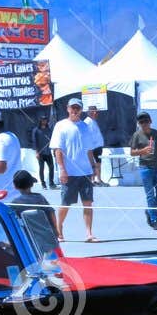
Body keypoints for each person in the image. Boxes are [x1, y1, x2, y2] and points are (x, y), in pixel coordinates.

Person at [50, 98, 99, 241]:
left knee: (88, 203)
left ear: (81, 110)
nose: (75, 110)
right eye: (73, 108)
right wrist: (62, 169)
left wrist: (94, 166)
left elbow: (89, 150)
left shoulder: (85, 127)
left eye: (77, 108)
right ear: (68, 109)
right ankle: (59, 230)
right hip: (69, 172)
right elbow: (58, 150)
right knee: (66, 203)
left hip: (85, 172)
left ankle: (89, 233)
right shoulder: (61, 126)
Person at [129, 112, 157, 229]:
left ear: (150, 121)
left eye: (146, 121)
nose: (144, 124)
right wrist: (142, 151)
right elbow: (132, 152)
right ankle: (154, 220)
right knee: (150, 195)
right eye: (141, 122)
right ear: (138, 124)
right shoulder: (137, 135)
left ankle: (149, 210)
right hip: (145, 168)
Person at [9, 168, 58, 236]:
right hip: (47, 236)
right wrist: (55, 230)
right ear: (32, 184)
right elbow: (51, 212)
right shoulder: (40, 198)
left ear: (15, 186)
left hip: (29, 238)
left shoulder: (14, 203)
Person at [83, 104, 107, 185]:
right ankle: (92, 180)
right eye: (95, 112)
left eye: (97, 112)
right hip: (92, 147)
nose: (97, 114)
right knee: (92, 164)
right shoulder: (87, 122)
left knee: (98, 163)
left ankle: (99, 179)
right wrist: (89, 146)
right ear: (91, 113)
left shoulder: (94, 121)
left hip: (98, 146)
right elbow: (86, 135)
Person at [31, 115, 54, 188]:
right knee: (42, 168)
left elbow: (52, 139)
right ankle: (43, 184)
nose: (44, 121)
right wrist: (37, 152)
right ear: (40, 121)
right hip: (40, 153)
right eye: (43, 120)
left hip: (48, 152)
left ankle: (51, 183)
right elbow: (34, 142)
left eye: (45, 120)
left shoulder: (49, 129)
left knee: (51, 167)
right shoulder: (36, 130)